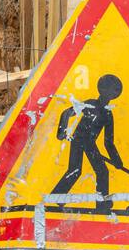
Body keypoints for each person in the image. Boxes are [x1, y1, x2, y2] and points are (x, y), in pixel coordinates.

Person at [51, 74, 124, 211]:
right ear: (101, 89)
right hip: (78, 140)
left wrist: (117, 160)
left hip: (89, 143)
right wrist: (61, 132)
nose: (109, 94)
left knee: (98, 171)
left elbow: (108, 141)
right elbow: (67, 113)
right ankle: (57, 197)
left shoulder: (108, 114)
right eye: (108, 89)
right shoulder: (90, 104)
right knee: (78, 170)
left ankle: (100, 203)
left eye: (114, 91)